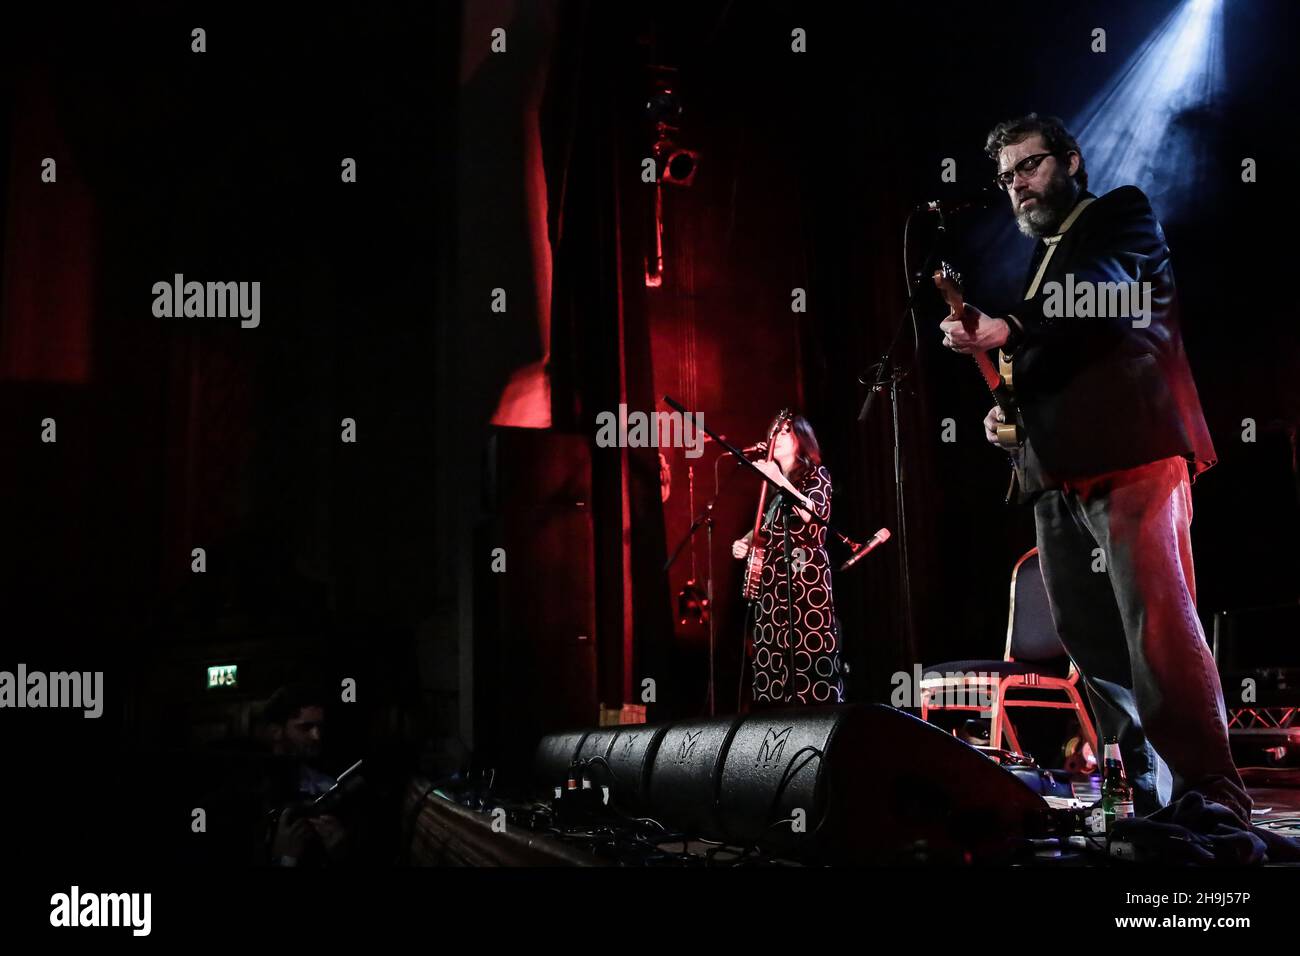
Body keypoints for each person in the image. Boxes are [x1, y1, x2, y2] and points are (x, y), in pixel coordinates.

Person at [938, 113, 1251, 826]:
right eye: (1006, 175)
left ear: (1071, 160)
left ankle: (1213, 791)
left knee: (1155, 624)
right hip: (1055, 473)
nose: (1017, 184)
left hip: (1130, 450)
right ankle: (1140, 791)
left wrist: (1008, 328)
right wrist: (1007, 418)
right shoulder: (1042, 259)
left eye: (1030, 165)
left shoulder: (1117, 215)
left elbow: (1101, 296)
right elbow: (1055, 356)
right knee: (1091, 639)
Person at [732, 413, 843, 706]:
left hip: (805, 585)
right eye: (774, 432)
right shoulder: (774, 492)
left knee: (807, 665)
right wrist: (744, 542)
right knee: (772, 671)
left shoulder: (817, 475)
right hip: (772, 591)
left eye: (785, 431)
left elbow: (814, 515)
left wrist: (779, 480)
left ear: (802, 440)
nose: (777, 437)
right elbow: (766, 529)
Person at [260, 683, 354, 866]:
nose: (316, 736)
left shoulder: (326, 786)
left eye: (319, 727)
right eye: (305, 727)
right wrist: (285, 859)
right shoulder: (252, 787)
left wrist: (341, 852)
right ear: (276, 731)